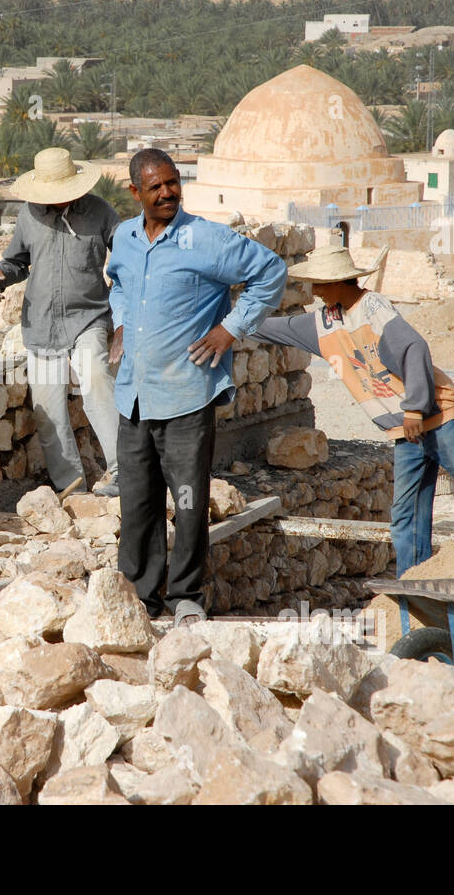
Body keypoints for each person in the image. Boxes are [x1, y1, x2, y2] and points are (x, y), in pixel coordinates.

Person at [250, 243, 454, 578]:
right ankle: (414, 585)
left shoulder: (374, 309)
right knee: (407, 516)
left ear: (340, 282)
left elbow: (414, 348)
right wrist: (227, 325)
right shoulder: (325, 323)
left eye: (319, 284)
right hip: (406, 433)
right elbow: (277, 329)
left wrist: (415, 409)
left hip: (439, 418)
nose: (313, 292)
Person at [107, 148, 287, 628]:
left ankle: (186, 595)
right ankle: (141, 595)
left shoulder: (205, 239)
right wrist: (122, 323)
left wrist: (231, 329)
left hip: (187, 393)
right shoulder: (123, 237)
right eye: (155, 187)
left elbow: (270, 272)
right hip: (135, 394)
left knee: (187, 500)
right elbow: (118, 284)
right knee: (138, 502)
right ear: (135, 192)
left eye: (172, 183)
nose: (167, 193)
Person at [0, 147, 122, 495]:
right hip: (42, 324)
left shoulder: (101, 213)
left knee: (97, 380)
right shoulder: (29, 217)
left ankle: (123, 471)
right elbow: (16, 261)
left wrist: (122, 317)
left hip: (89, 317)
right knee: (48, 409)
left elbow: (125, 262)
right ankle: (72, 488)